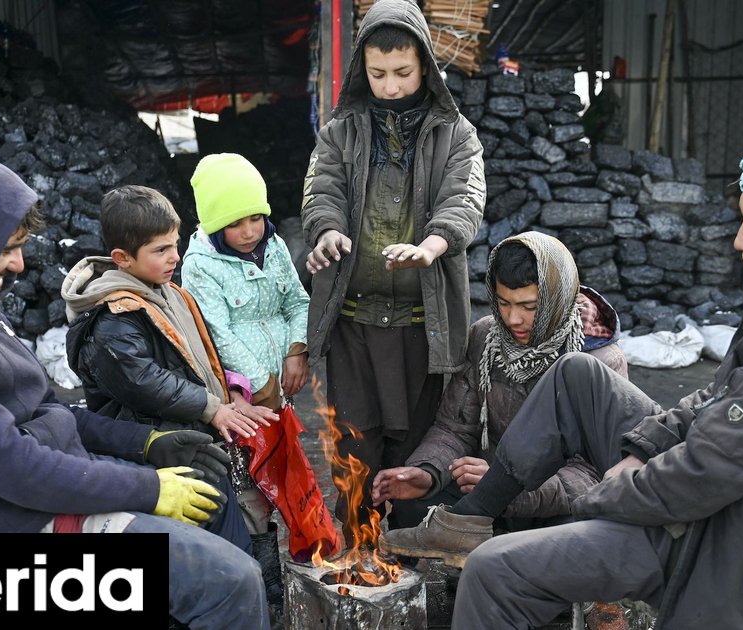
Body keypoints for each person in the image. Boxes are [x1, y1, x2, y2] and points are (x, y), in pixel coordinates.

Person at [378, 133, 743, 628]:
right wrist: (647, 443)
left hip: (727, 544)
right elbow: (716, 399)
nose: (739, 243)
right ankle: (469, 517)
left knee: (494, 569)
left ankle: (490, 537)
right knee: (577, 376)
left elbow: (702, 476)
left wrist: (603, 496)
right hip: (711, 498)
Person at [0, 149, 269, 628]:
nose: (20, 265)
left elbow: (52, 410)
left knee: (209, 498)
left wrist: (150, 444)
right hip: (23, 519)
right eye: (7, 248)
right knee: (231, 580)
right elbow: (14, 469)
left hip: (56, 484)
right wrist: (148, 486)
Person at [301, 0, 485, 530]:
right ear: (363, 69)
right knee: (355, 444)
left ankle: (409, 550)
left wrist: (432, 245)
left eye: (403, 72)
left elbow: (464, 199)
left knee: (417, 446)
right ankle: (358, 555)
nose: (391, 86)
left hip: (422, 324)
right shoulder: (341, 131)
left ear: (425, 65)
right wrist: (327, 231)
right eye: (378, 74)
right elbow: (321, 192)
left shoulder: (457, 134)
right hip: (354, 324)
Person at [60, 184, 282, 607]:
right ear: (123, 259)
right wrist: (211, 408)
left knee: (230, 545)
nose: (174, 257)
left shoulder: (169, 293)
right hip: (157, 453)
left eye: (175, 245)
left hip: (194, 444)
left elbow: (201, 354)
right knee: (199, 565)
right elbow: (144, 380)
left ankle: (244, 602)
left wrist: (230, 389)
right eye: (160, 250)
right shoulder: (112, 318)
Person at [371, 231, 627, 552]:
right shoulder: (485, 336)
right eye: (503, 303)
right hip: (485, 491)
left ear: (556, 298)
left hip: (548, 501)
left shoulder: (598, 360)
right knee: (411, 507)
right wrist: (427, 471)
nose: (512, 319)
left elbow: (592, 473)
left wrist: (504, 488)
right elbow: (454, 427)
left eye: (529, 306)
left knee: (574, 535)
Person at [180, 153, 313, 611]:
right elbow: (219, 334)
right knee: (250, 489)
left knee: (288, 478)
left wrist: (298, 350)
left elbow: (297, 301)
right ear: (216, 224)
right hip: (242, 399)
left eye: (257, 217)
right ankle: (263, 588)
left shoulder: (273, 247)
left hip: (280, 392)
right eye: (237, 222)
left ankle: (299, 569)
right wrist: (262, 383)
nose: (250, 230)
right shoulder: (200, 266)